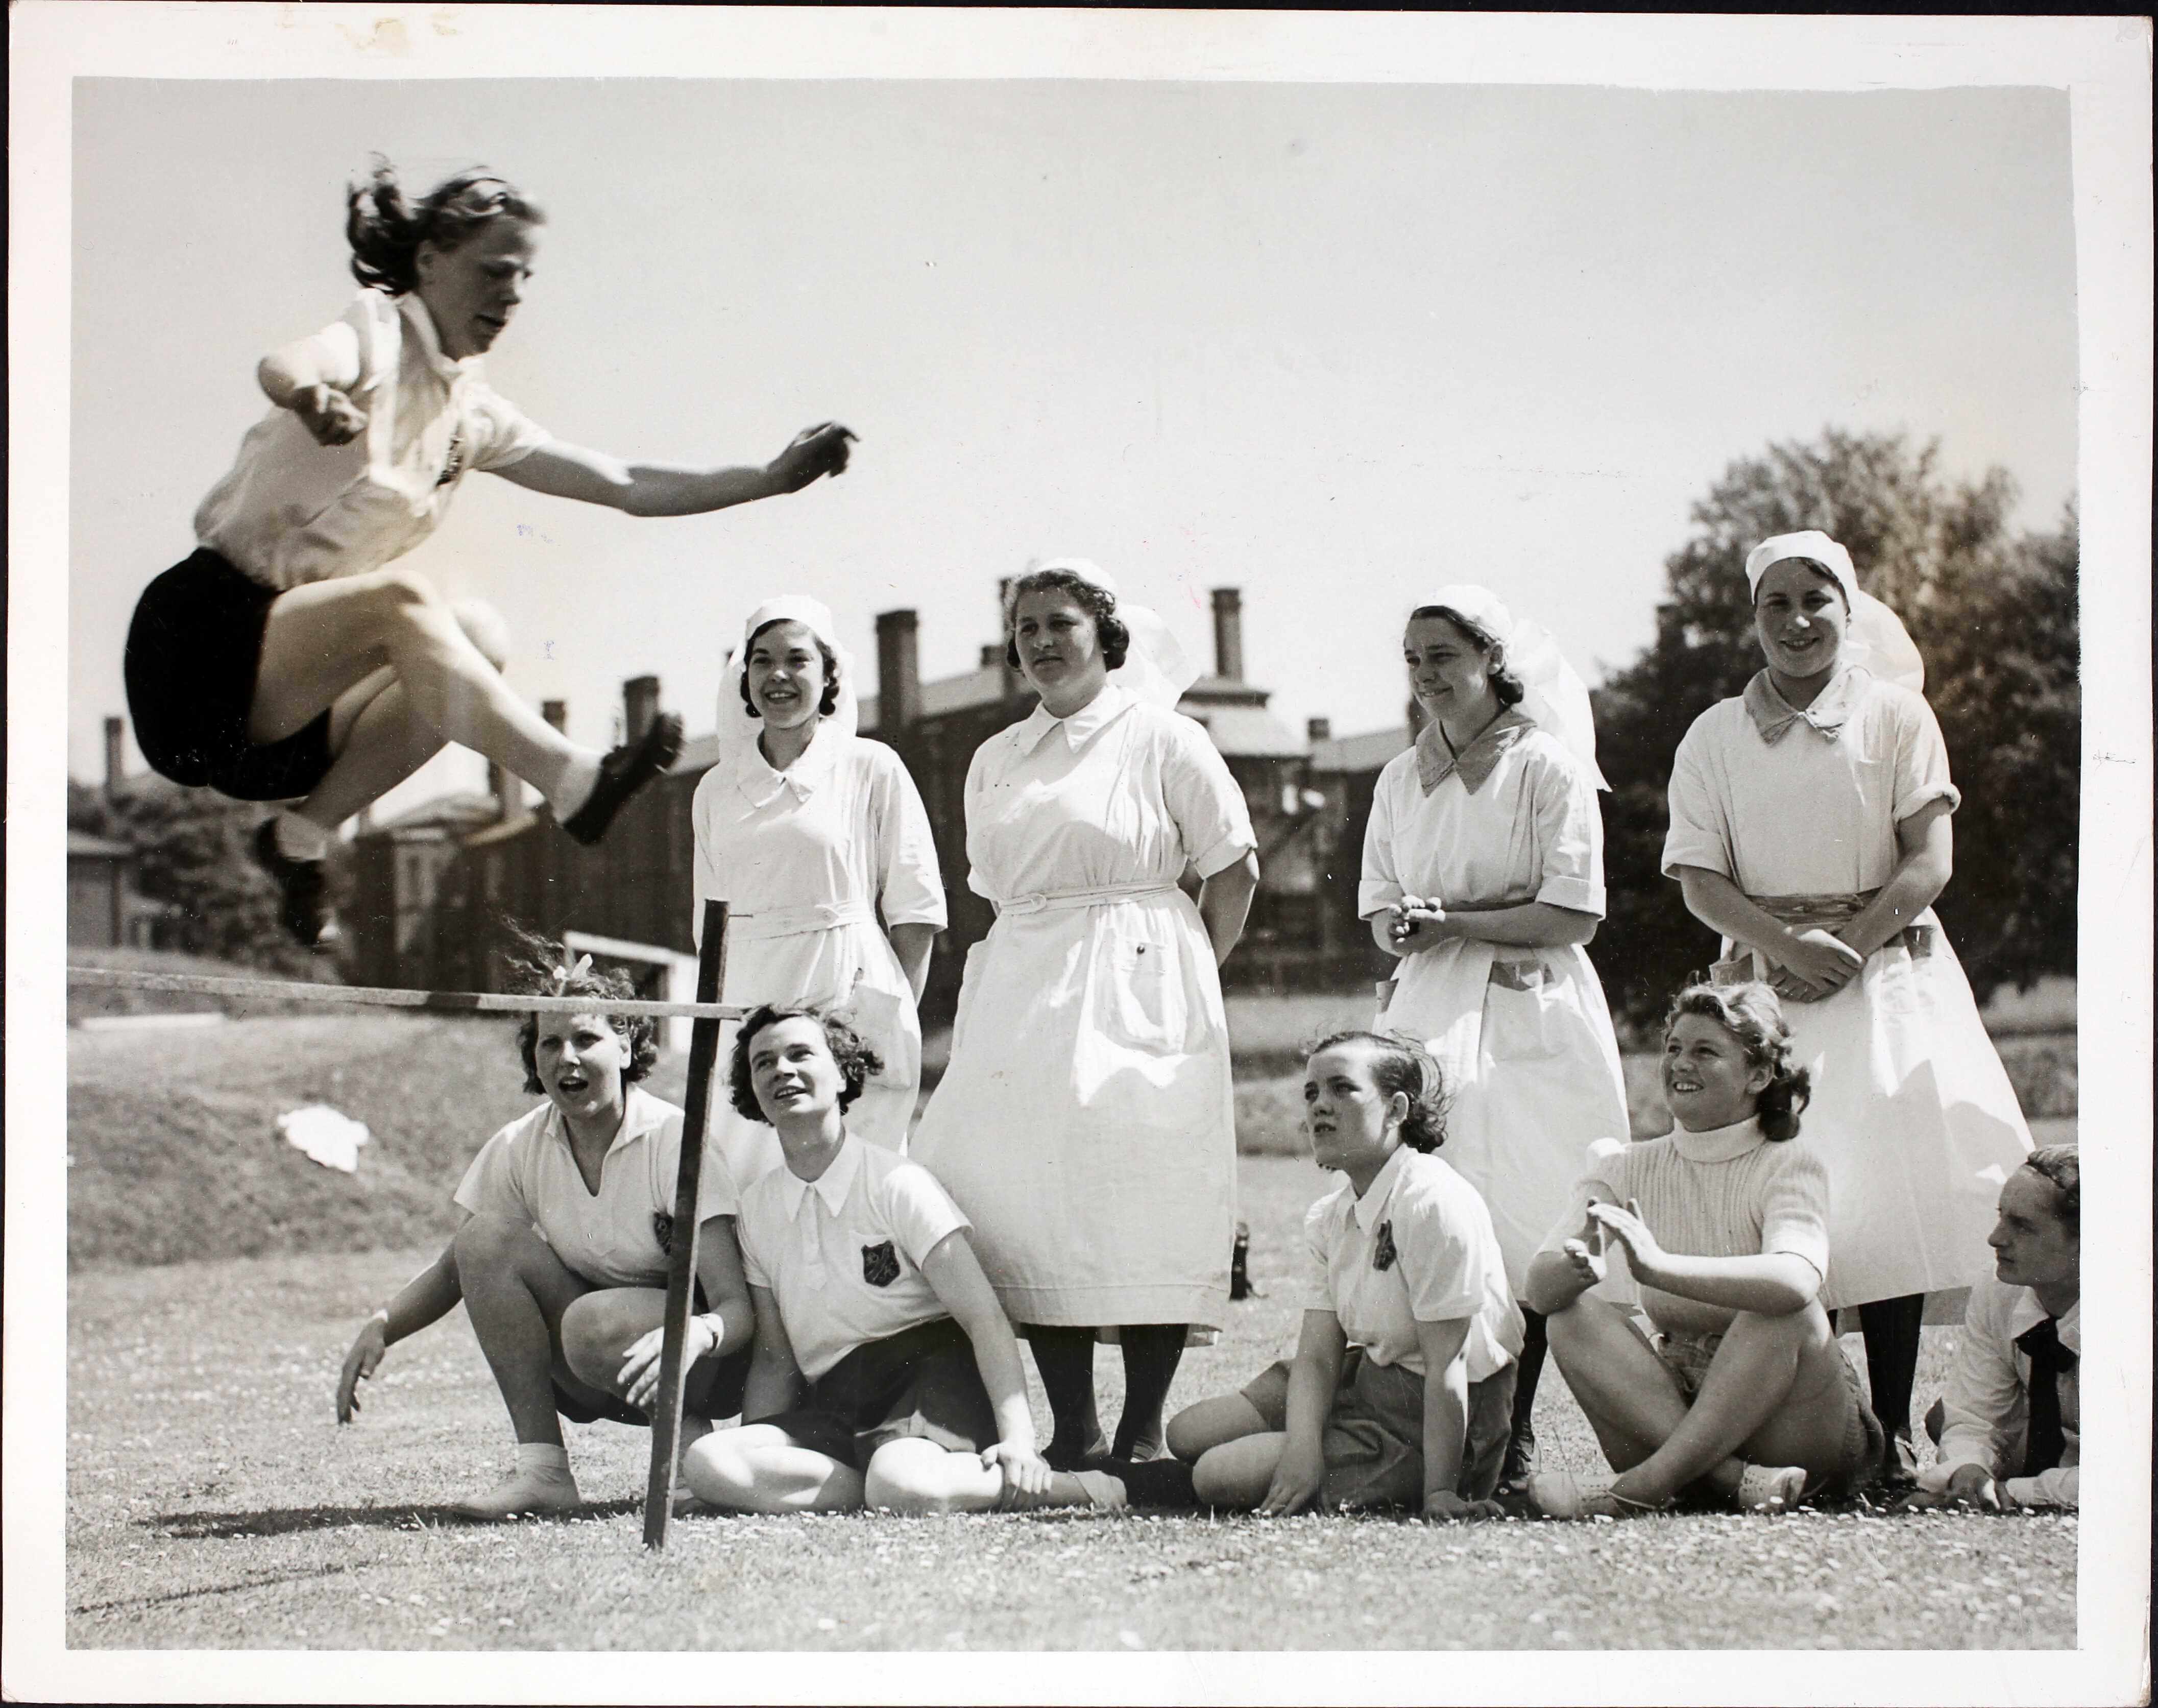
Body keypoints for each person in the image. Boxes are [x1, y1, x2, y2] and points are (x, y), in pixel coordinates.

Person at [124, 160, 855, 948]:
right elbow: (289, 362)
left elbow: (621, 482)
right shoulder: (376, 333)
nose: (510, 296)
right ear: (432, 259)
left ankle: (299, 840)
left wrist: (770, 479)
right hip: (197, 654)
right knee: (403, 601)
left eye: (523, 278)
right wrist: (311, 394)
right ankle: (573, 781)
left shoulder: (469, 412)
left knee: (478, 635)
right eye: (494, 271)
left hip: (284, 725)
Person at [1662, 529, 2033, 1477]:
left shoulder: (1898, 717)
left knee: (1885, 1200)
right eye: (1774, 604)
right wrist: (1785, 948)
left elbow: (1929, 860)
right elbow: (1699, 876)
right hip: (1766, 990)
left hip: (1885, 978)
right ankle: (1820, 1424)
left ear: (1848, 608)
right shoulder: (1713, 734)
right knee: (1797, 1198)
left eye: (1814, 601)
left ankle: (1898, 1426)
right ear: (1751, 618)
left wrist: (1848, 950)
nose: (1795, 622)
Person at [909, 560, 1259, 1471]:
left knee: (1143, 1187)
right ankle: (1074, 1428)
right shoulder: (996, 757)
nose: (1040, 642)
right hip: (1023, 977)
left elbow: (1234, 868)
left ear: (1105, 635)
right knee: (1025, 1193)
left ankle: (1142, 1432)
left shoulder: (1165, 738)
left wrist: (1188, 974)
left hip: (1140, 972)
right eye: (1024, 627)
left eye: (1059, 623)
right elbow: (993, 887)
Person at [682, 1005, 1180, 1515]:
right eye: (763, 1062)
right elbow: (774, 1358)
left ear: (841, 1072)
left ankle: (1080, 1487)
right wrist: (752, 1463)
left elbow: (984, 1318)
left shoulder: (896, 1183)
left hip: (930, 1380)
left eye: (800, 1054)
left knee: (906, 1487)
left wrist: (1019, 1441)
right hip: (834, 1398)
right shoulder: (757, 1209)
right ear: (752, 1090)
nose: (781, 1070)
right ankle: (883, 1484)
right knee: (708, 1463)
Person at [1359, 585, 1629, 1493]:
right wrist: (1402, 930)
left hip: (1529, 1007)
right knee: (1441, 1208)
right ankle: (1449, 1429)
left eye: (1443, 656)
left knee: (1528, 1213)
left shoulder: (1546, 765)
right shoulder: (1401, 777)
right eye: (1413, 659)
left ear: (1491, 661)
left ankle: (1515, 1434)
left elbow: (1575, 910)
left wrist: (1459, 923)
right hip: (1428, 1005)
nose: (1426, 676)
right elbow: (1378, 908)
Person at [335, 940, 753, 1520]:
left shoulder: (673, 1141)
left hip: (706, 1367)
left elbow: (737, 1308)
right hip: (592, 1366)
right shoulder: (520, 1144)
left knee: (590, 1321)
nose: (567, 1058)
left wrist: (693, 1337)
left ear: (628, 1045)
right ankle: (544, 1474)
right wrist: (383, 1325)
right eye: (549, 1043)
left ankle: (691, 1450)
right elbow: (459, 1266)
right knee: (483, 1239)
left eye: (586, 1039)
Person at [1523, 981, 1883, 1518]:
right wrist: (1577, 1269)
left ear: (1759, 1076)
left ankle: (1642, 1488)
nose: (1679, 1065)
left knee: (1780, 1308)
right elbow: (1539, 1290)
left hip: (1795, 1427)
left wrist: (1659, 1268)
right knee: (1569, 1318)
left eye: (1704, 1052)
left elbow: (1796, 1282)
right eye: (1673, 1048)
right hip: (1673, 1405)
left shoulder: (1789, 1162)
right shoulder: (1622, 1165)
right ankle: (1727, 1478)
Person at [1164, 1032, 1522, 1520]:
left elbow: (1448, 1366)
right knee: (1185, 1432)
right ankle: (1309, 1446)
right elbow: (1315, 1356)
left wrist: (1441, 1492)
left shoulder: (1432, 1202)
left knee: (1215, 1474)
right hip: (1368, 1375)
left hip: (1438, 1414)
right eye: (1311, 1093)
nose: (1319, 1108)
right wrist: (1303, 1447)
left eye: (1341, 1089)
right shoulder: (1331, 1215)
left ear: (1396, 1109)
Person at [690, 596, 944, 1190]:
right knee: (749, 1172)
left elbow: (916, 912)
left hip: (845, 988)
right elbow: (709, 929)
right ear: (744, 678)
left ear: (829, 675)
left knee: (856, 1173)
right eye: (761, 661)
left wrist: (887, 1012)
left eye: (797, 660)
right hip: (748, 999)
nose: (778, 676)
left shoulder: (870, 766)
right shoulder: (715, 789)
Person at [1901, 1147, 2079, 1511]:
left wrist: (2014, 1492)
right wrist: (1969, 1472)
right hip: (2058, 1436)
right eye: (2001, 1217)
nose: (1995, 1238)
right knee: (1942, 1419)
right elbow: (1974, 1414)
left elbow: (2131, 1473)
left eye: (2022, 1226)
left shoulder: (2135, 1318)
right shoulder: (1999, 1289)